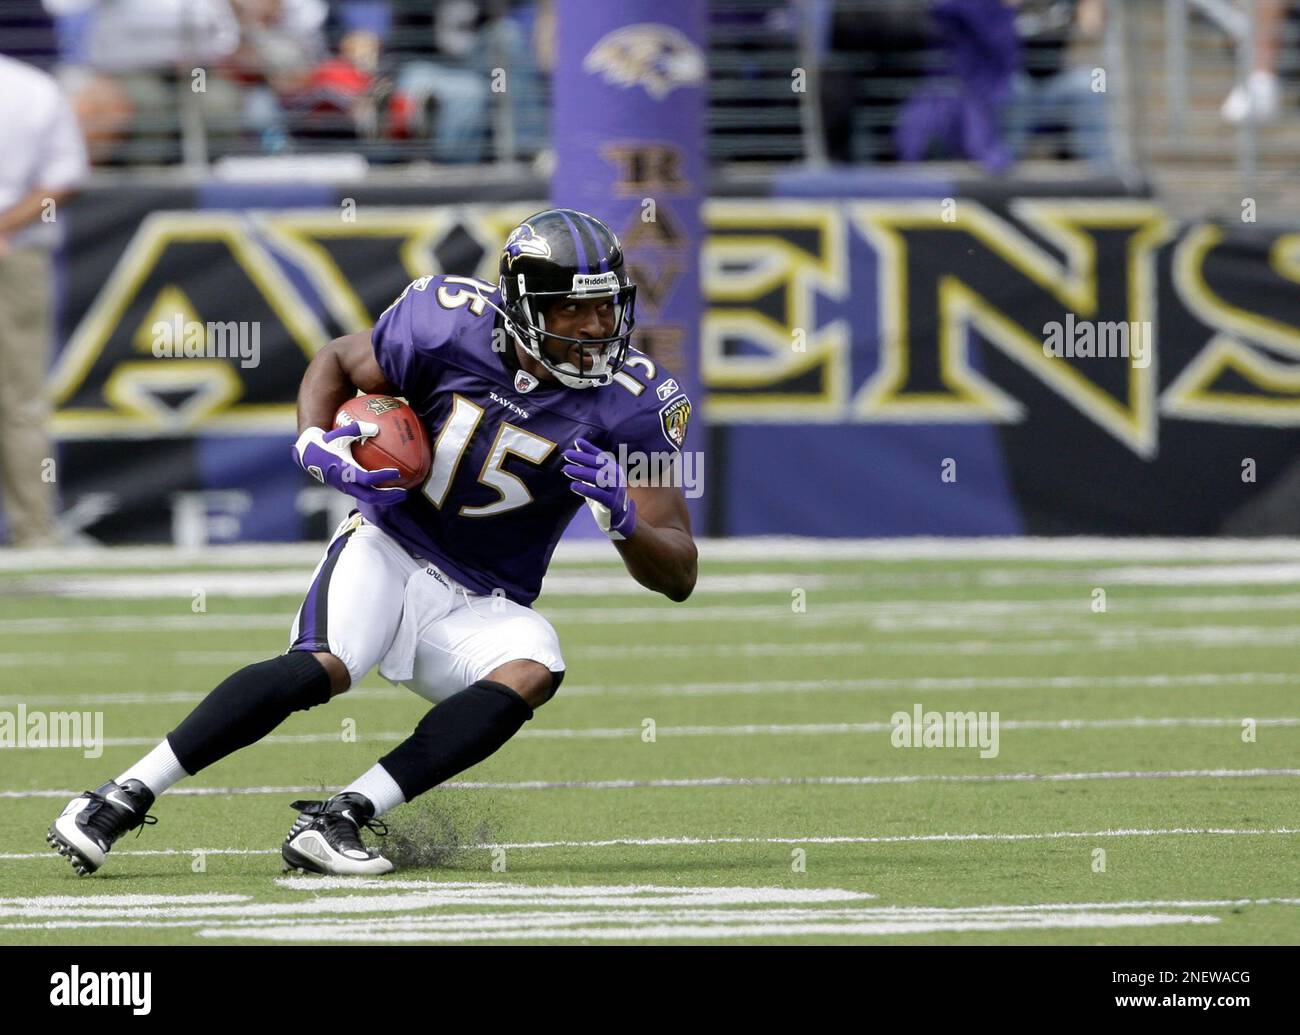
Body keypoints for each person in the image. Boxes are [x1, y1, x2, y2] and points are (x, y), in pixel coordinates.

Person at [47, 208, 698, 876]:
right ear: (524, 306)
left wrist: (626, 525)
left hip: (482, 596)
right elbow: (336, 359)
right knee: (329, 663)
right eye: (571, 310)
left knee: (535, 662)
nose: (595, 329)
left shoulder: (636, 402)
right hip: (390, 541)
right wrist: (312, 441)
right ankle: (117, 795)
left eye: (606, 308)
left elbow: (679, 571)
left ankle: (340, 817)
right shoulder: (447, 324)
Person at [0, 54, 88, 548]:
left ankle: (34, 532)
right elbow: (65, 177)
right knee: (21, 404)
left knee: (20, 403)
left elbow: (66, 177)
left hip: (14, 255)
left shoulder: (31, 87)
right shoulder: (32, 87)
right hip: (14, 251)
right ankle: (34, 534)